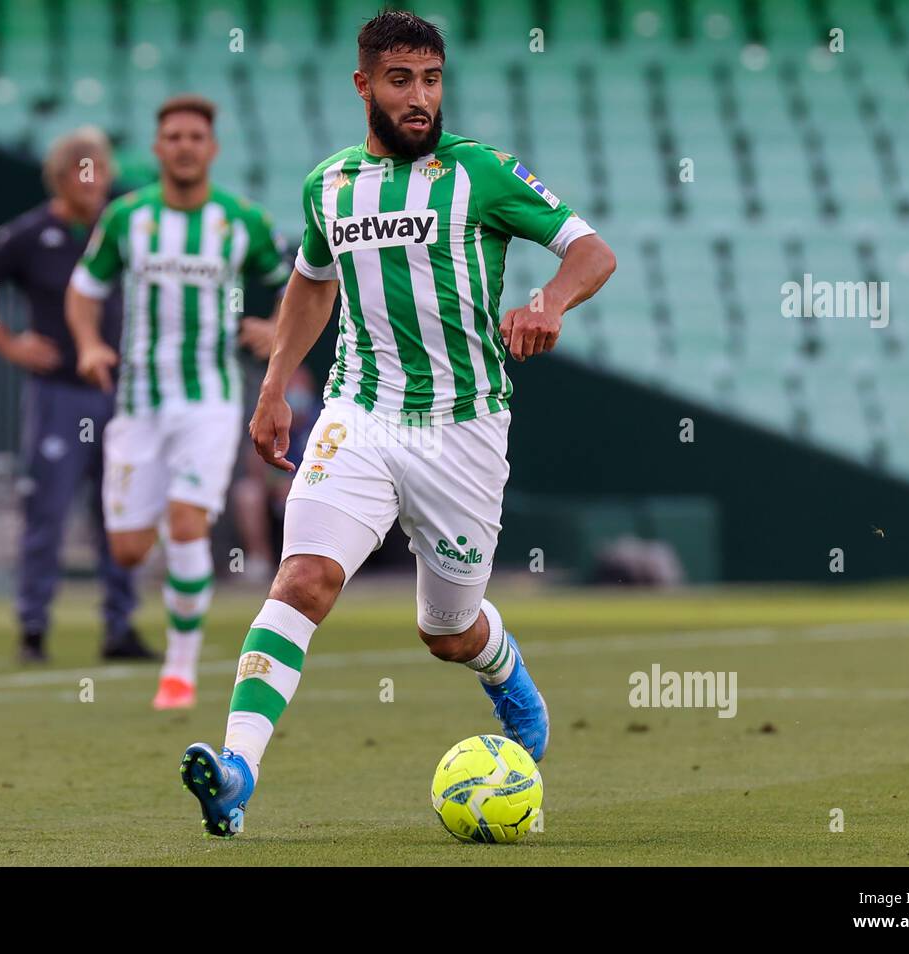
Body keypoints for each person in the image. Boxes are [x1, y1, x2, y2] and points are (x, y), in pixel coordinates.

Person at [180, 11, 616, 836]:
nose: (420, 99)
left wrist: (548, 301)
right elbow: (312, 284)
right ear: (364, 86)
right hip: (360, 415)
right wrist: (274, 389)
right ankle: (237, 772)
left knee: (446, 631)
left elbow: (591, 250)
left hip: (464, 430)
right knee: (302, 580)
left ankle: (507, 676)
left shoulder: (480, 172)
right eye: (401, 80)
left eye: (432, 80)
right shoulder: (330, 185)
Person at [66, 95, 288, 710]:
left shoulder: (241, 219)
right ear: (158, 148)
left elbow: (298, 280)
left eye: (196, 136)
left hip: (210, 400)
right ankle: (172, 526)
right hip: (137, 402)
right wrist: (87, 345)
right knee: (129, 548)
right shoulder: (126, 218)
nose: (185, 146)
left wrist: (274, 328)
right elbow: (84, 290)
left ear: (211, 149)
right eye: (174, 137)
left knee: (188, 521)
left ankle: (179, 671)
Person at [0, 127, 149, 664]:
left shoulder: (123, 230)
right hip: (60, 395)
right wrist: (11, 346)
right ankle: (33, 630)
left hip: (122, 395)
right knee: (47, 512)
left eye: (102, 172)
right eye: (85, 174)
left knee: (122, 512)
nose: (96, 184)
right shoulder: (30, 233)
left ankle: (119, 627)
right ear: (61, 179)